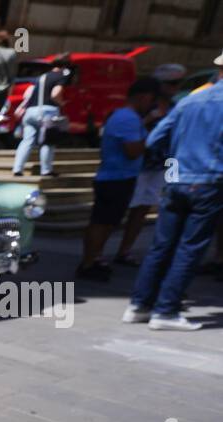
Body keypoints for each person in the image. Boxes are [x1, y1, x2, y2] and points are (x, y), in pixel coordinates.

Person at [124, 54, 223, 331]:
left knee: (161, 245)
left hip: (176, 179)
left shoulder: (189, 99)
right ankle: (166, 310)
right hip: (209, 181)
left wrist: (175, 164)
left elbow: (155, 140)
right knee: (190, 248)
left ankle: (139, 305)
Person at [76, 78, 161, 280]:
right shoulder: (128, 119)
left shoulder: (128, 117)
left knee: (107, 222)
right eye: (152, 100)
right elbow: (133, 150)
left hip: (120, 177)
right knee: (101, 222)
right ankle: (88, 263)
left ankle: (94, 259)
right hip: (115, 178)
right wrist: (151, 137)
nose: (152, 105)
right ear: (144, 97)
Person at [113, 63, 187, 266]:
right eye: (171, 83)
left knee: (144, 208)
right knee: (124, 207)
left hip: (161, 164)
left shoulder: (175, 107)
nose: (175, 88)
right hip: (138, 163)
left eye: (178, 83)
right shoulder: (145, 106)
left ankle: (125, 250)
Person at [12, 55, 69, 177]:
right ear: (63, 67)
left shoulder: (41, 77)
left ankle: (18, 168)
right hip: (48, 111)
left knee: (27, 141)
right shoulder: (61, 76)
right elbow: (55, 94)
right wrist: (61, 102)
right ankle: (46, 170)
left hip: (31, 111)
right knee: (48, 141)